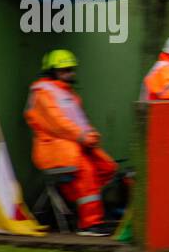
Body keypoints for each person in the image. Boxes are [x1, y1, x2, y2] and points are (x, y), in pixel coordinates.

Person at [25, 49, 117, 237]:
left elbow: (78, 121)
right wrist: (83, 136)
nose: (69, 74)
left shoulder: (68, 95)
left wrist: (90, 133)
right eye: (64, 70)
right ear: (52, 71)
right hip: (53, 149)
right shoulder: (43, 93)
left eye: (70, 69)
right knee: (87, 171)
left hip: (71, 147)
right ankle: (89, 224)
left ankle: (86, 212)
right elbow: (57, 124)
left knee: (107, 167)